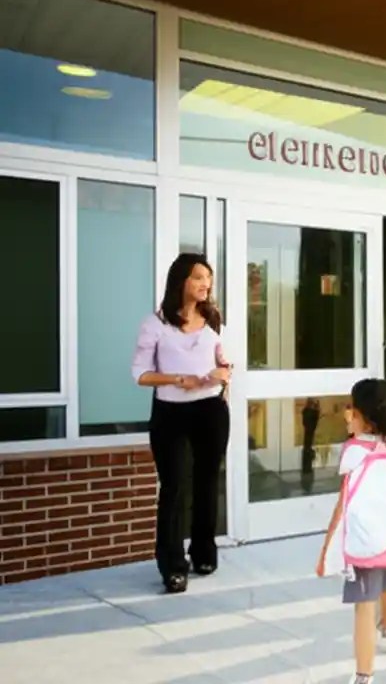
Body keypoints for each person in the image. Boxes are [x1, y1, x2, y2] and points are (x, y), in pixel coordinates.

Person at [131, 253, 232, 595]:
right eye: (199, 277)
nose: (206, 284)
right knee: (175, 487)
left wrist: (222, 373)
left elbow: (224, 362)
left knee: (206, 482)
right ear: (181, 281)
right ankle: (173, 566)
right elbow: (140, 374)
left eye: (209, 278)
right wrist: (177, 379)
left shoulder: (214, 319)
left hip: (211, 411)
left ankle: (203, 553)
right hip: (171, 414)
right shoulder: (155, 323)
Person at [316, 379, 386, 684]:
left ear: (364, 416)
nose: (347, 414)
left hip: (363, 540)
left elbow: (342, 504)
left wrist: (328, 545)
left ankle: (363, 675)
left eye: (351, 409)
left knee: (363, 606)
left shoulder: (354, 452)